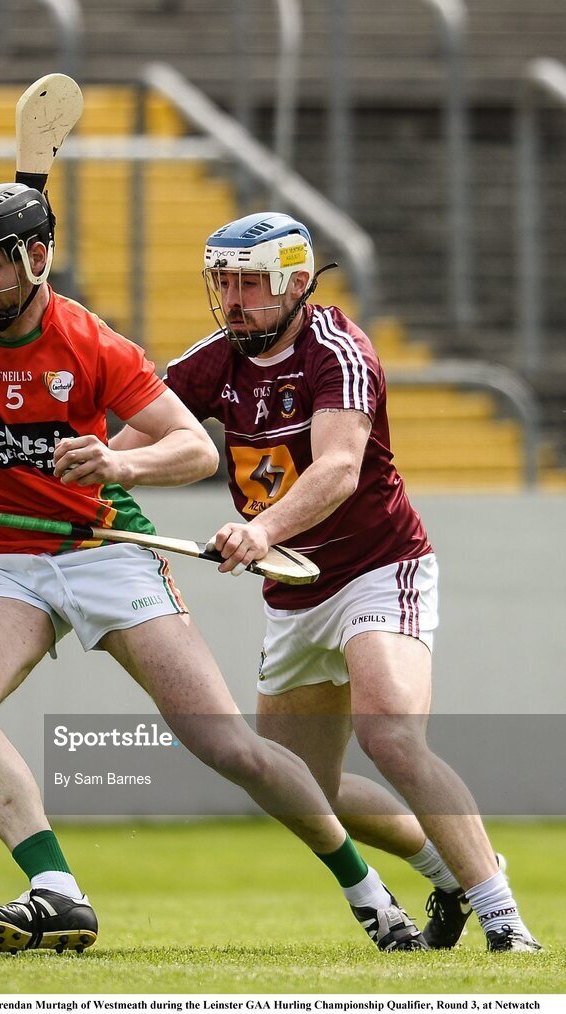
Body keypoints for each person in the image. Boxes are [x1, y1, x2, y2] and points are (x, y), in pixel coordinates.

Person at [0, 182, 430, 954]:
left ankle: (370, 895)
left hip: (106, 552)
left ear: (35, 259)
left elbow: (192, 447)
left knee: (229, 749)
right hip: (1, 555)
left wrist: (113, 466)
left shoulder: (90, 342)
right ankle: (54, 889)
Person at [112, 211, 542, 953]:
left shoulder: (335, 351)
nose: (235, 299)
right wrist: (89, 476)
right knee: (296, 782)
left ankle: (505, 922)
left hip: (377, 569)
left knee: (391, 736)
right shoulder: (216, 357)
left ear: (296, 282)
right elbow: (132, 441)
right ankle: (449, 867)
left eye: (251, 283)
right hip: (293, 594)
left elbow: (339, 469)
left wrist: (259, 530)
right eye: (225, 282)